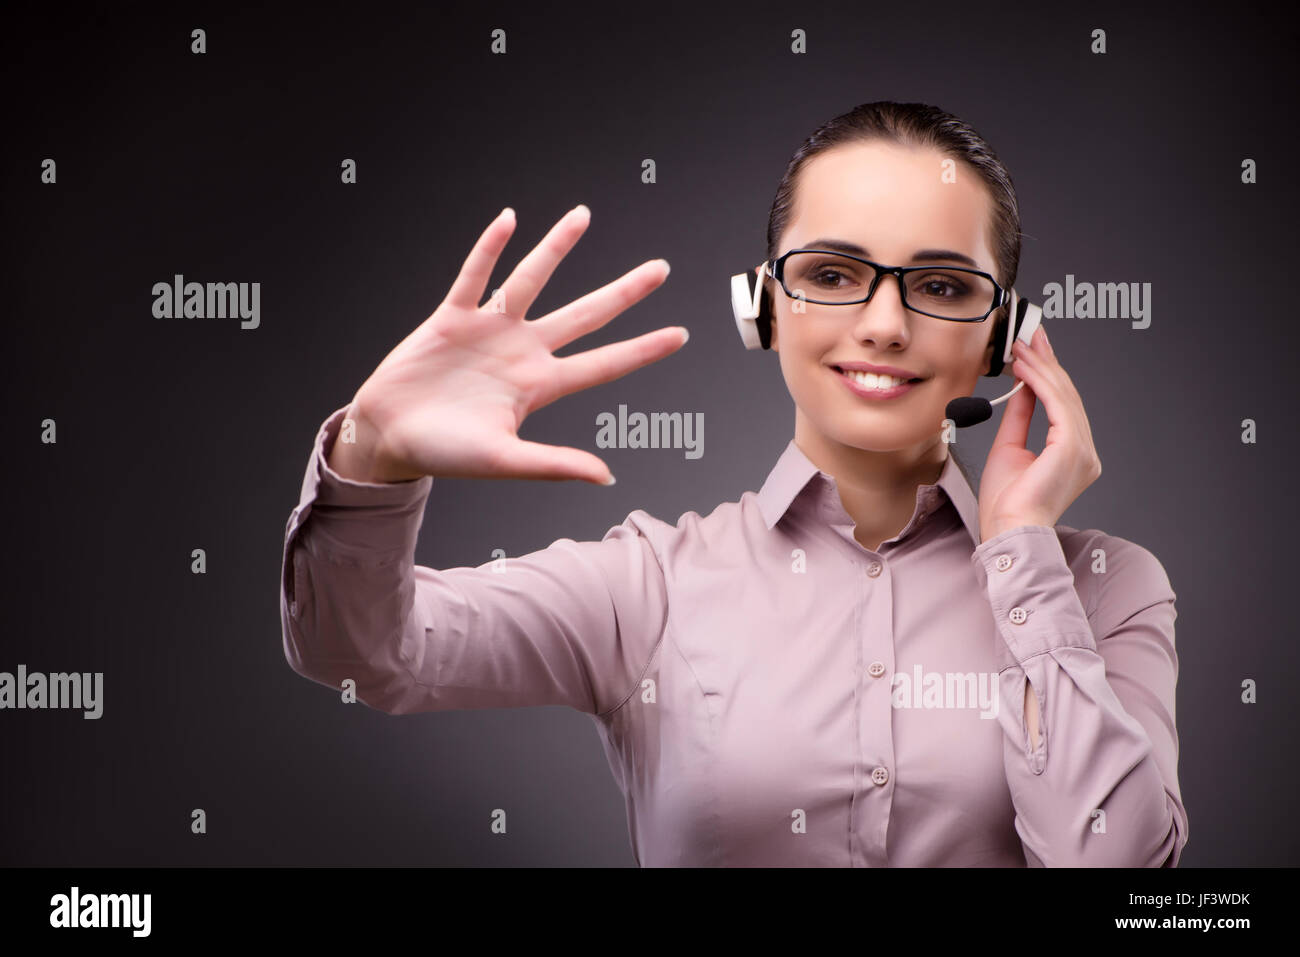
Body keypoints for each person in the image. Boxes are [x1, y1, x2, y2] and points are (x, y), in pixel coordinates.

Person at [279, 101, 1188, 867]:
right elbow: (365, 654)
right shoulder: (652, 585)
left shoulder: (1107, 588)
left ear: (1003, 335)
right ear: (761, 307)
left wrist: (1023, 552)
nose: (883, 324)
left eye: (942, 287)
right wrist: (372, 453)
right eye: (832, 274)